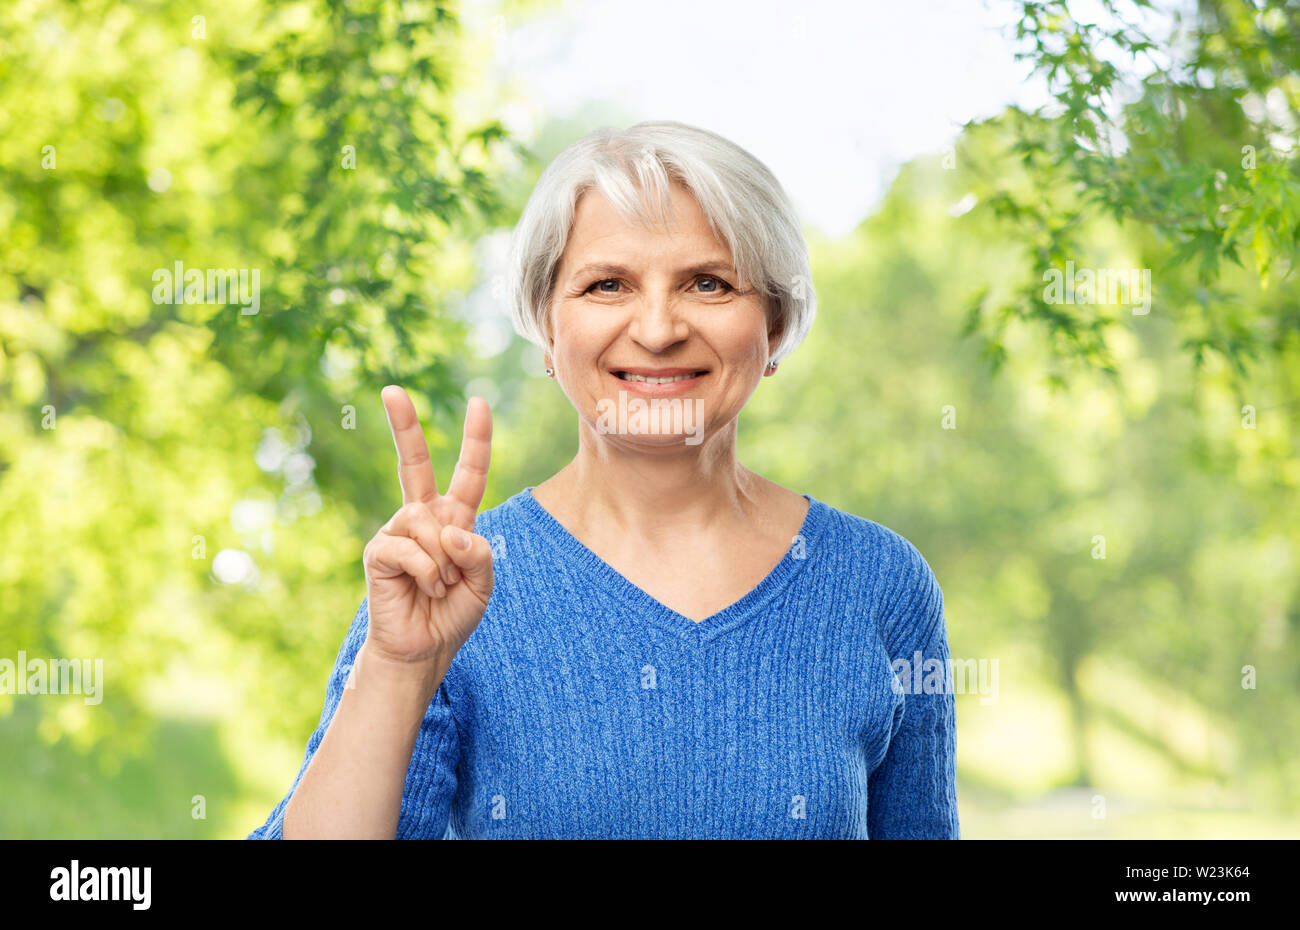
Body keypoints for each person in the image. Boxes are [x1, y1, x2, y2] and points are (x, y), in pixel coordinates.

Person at [248, 120, 958, 839]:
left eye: (708, 283)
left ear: (772, 326)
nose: (656, 329)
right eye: (607, 284)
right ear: (547, 328)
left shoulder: (880, 583)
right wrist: (399, 669)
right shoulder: (446, 580)